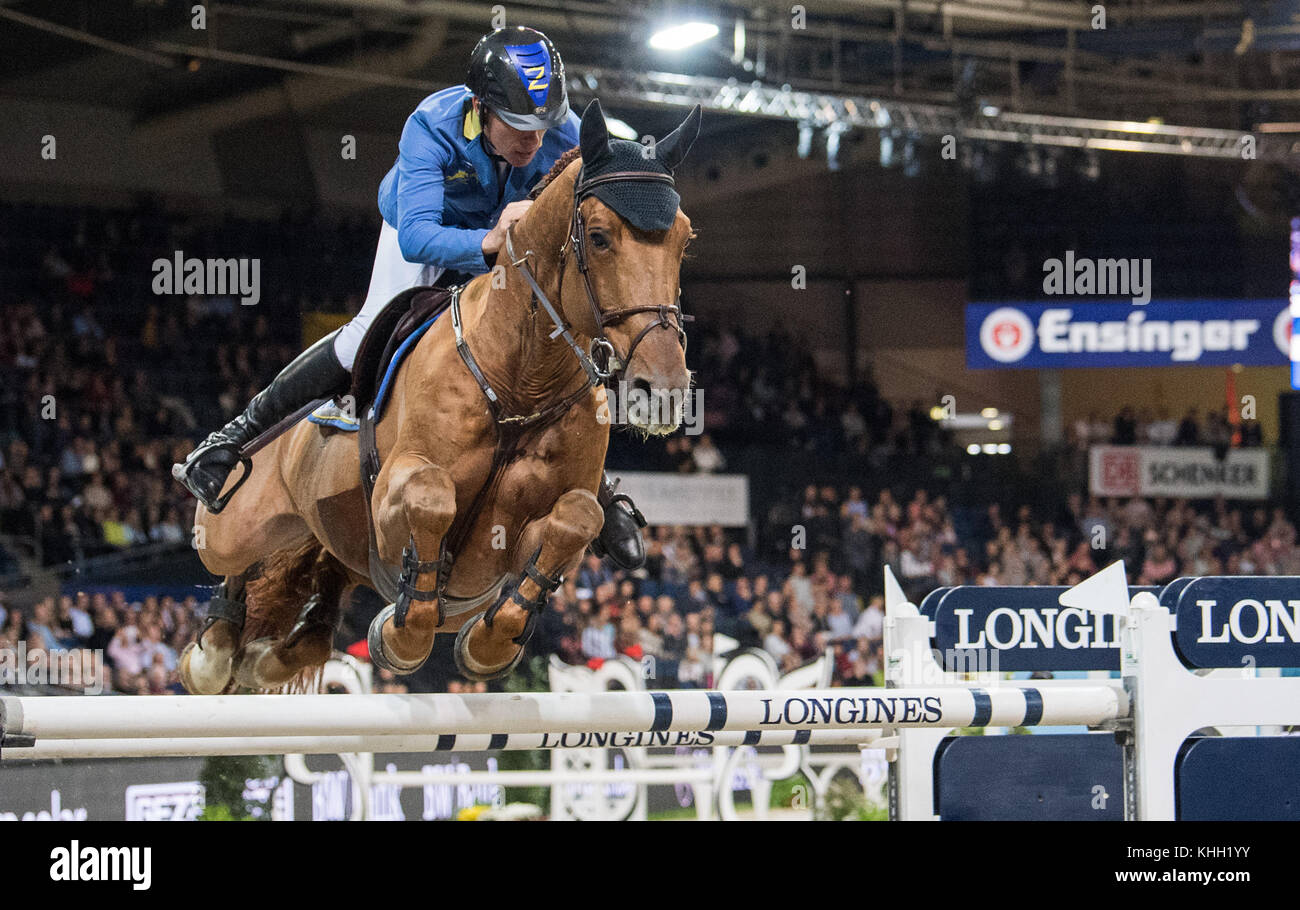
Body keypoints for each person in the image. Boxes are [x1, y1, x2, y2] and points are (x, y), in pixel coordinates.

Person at [172, 26, 649, 568]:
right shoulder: (432, 125)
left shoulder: (560, 130)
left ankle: (600, 491)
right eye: (518, 126)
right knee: (364, 334)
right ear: (480, 107)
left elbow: (615, 170)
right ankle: (232, 439)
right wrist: (491, 240)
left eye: (542, 126)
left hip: (507, 233)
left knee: (556, 333)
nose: (533, 141)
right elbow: (420, 235)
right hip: (424, 227)